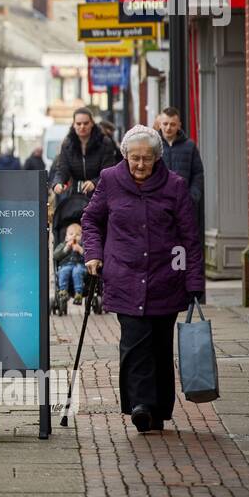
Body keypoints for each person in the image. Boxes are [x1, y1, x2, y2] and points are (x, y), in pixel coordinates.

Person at [81, 124, 204, 434]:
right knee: (135, 343)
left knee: (161, 346)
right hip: (124, 275)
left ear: (157, 158)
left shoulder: (174, 186)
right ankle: (141, 405)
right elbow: (91, 220)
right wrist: (92, 255)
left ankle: (160, 408)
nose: (139, 165)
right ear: (124, 156)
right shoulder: (110, 180)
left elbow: (191, 238)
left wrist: (194, 284)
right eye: (134, 158)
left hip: (165, 278)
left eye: (146, 159)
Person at [50, 106, 118, 198]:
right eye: (78, 124)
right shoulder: (67, 145)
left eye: (86, 123)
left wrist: (94, 183)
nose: (82, 126)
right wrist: (57, 183)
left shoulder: (105, 142)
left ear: (92, 123)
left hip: (100, 194)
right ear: (73, 125)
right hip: (75, 195)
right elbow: (62, 169)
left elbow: (108, 171)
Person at [157, 106, 204, 222]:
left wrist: (192, 197)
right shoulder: (153, 146)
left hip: (183, 205)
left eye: (173, 124)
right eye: (165, 123)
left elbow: (198, 174)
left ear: (179, 125)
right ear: (160, 125)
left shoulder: (190, 146)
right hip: (158, 205)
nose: (168, 128)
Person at [53, 222, 87, 305]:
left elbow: (89, 256)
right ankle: (63, 291)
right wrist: (66, 249)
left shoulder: (83, 245)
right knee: (64, 270)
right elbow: (56, 256)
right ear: (66, 237)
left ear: (82, 237)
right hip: (66, 265)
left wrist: (80, 250)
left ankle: (78, 293)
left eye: (78, 235)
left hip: (80, 266)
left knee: (77, 271)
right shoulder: (63, 245)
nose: (74, 236)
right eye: (71, 234)